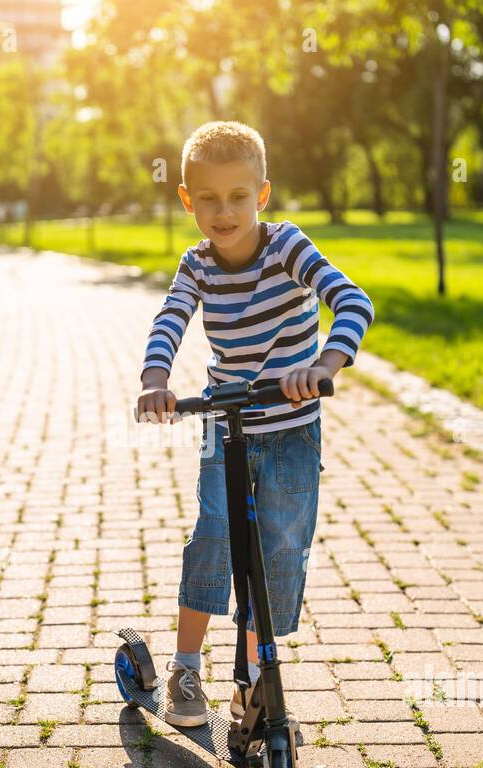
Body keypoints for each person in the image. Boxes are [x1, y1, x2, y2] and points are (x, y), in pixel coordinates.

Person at [135, 121, 374, 728]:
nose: (224, 211)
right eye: (208, 199)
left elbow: (353, 302)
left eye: (238, 197)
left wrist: (324, 363)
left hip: (293, 429)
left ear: (262, 195)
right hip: (228, 424)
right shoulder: (197, 266)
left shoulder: (286, 246)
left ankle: (250, 685)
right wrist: (156, 382)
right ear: (187, 200)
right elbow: (171, 320)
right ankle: (186, 668)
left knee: (278, 554)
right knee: (215, 535)